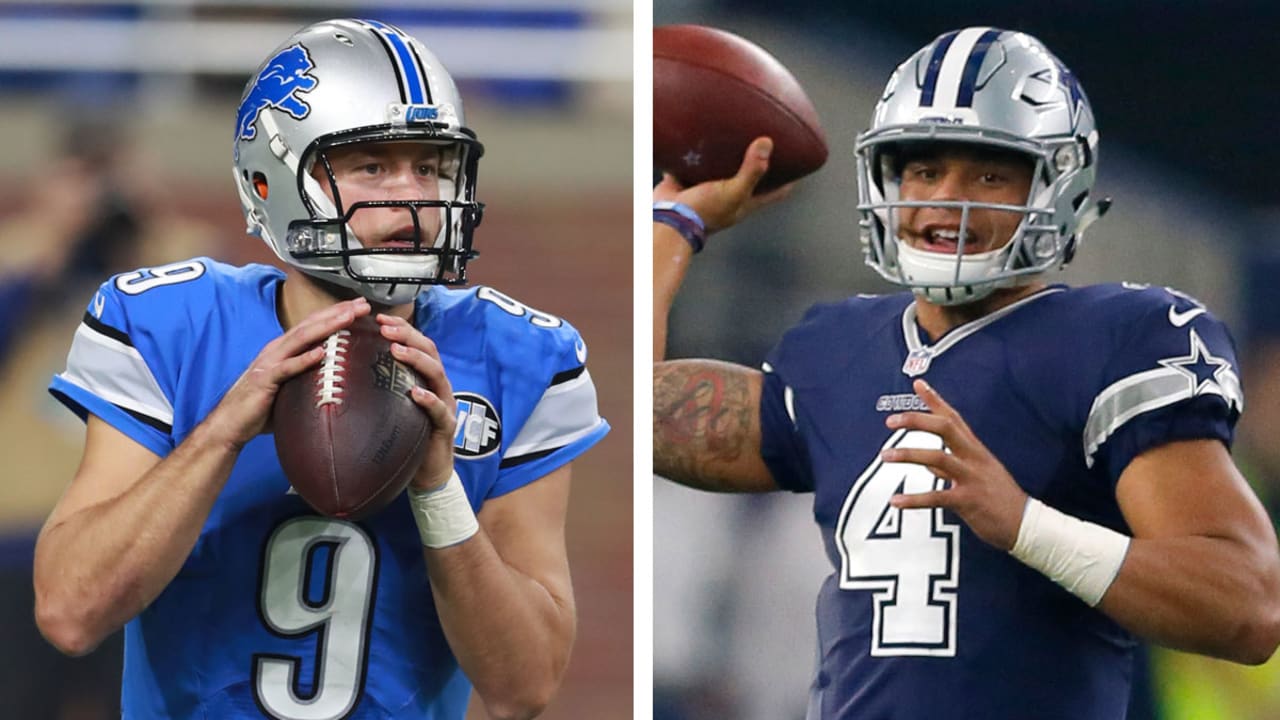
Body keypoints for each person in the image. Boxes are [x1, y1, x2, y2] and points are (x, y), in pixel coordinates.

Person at [653, 26, 1280, 719]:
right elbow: (621, 406)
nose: (946, 197)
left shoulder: (1120, 340)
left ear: (1055, 186)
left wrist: (1026, 527)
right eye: (923, 169)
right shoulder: (836, 346)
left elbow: (1248, 608)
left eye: (989, 173)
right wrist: (670, 228)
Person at [34, 18, 608, 720]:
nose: (413, 198)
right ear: (271, 179)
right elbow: (70, 611)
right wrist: (220, 435)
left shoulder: (518, 356)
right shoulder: (170, 325)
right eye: (372, 166)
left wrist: (436, 486)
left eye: (429, 167)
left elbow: (524, 689)